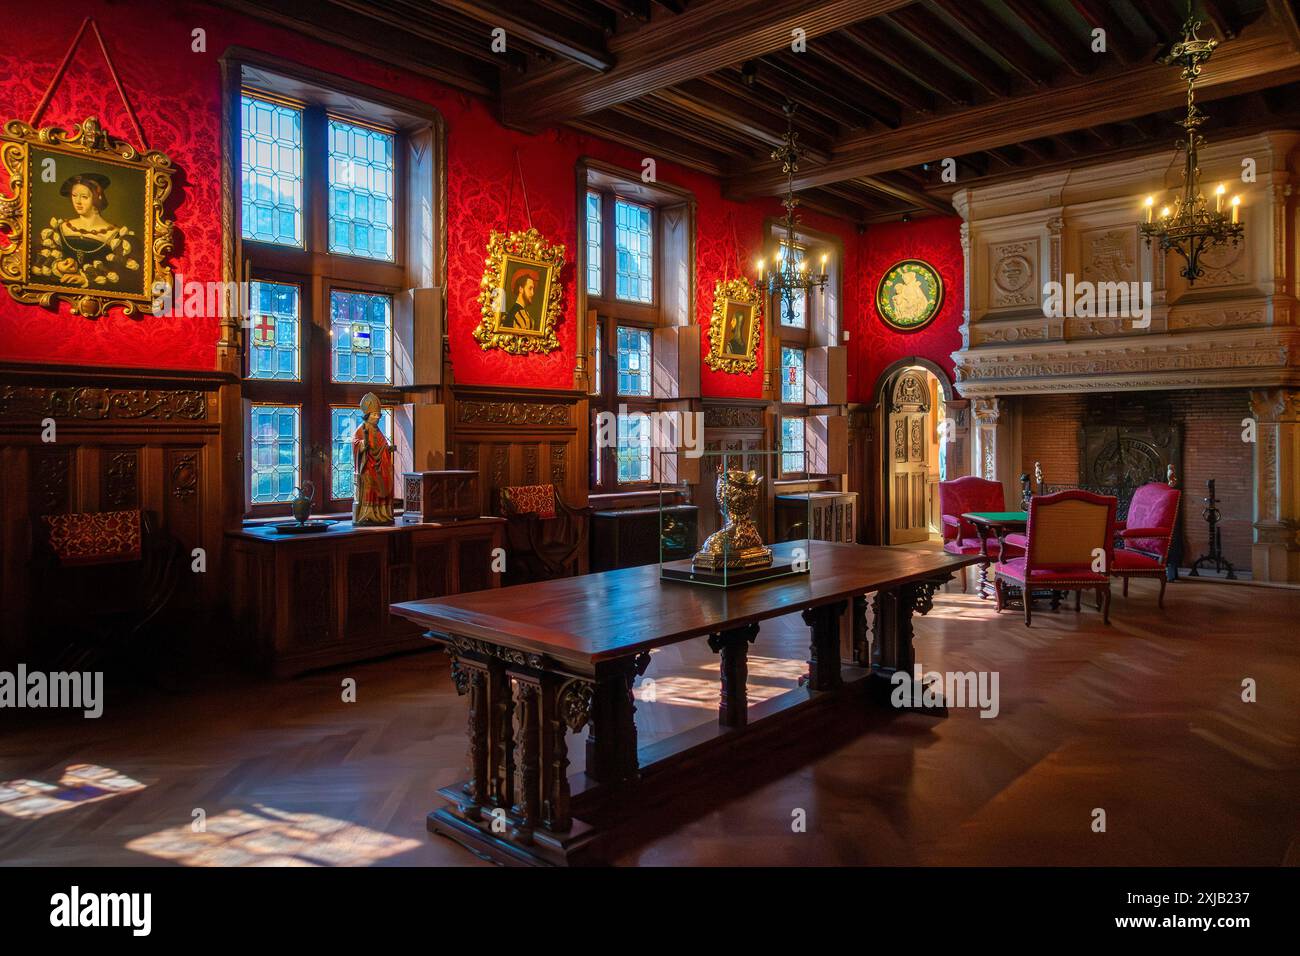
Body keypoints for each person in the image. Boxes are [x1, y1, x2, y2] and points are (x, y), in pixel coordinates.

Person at [33, 173, 140, 290]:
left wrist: (86, 279)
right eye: (74, 196)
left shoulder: (118, 237)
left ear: (97, 197)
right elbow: (36, 264)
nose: (77, 201)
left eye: (84, 197)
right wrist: (58, 266)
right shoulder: (58, 229)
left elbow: (128, 279)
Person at [352, 392, 394, 526]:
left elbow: (383, 446)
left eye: (378, 415)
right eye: (374, 415)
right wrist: (363, 445)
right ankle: (368, 514)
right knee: (370, 488)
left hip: (379, 466)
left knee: (385, 483)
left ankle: (381, 513)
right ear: (367, 415)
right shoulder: (361, 429)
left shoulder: (377, 430)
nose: (376, 418)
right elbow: (355, 443)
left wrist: (389, 449)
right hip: (367, 466)